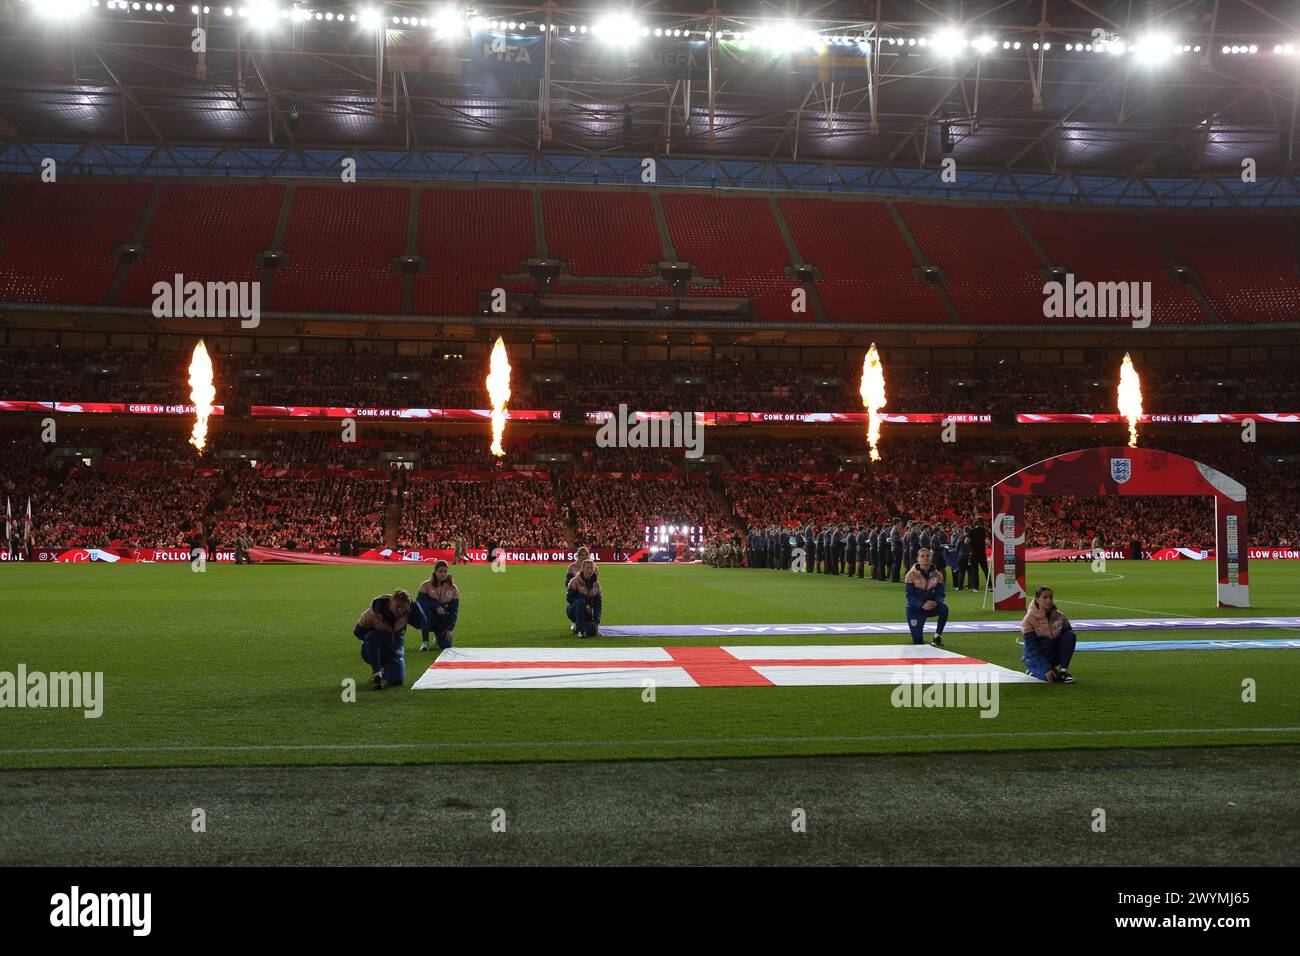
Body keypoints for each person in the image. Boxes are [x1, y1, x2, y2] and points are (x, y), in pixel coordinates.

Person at [353, 588, 422, 690]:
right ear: (391, 602)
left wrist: (415, 605)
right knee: (372, 635)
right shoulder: (371, 613)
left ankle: (385, 670)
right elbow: (358, 632)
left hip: (394, 651)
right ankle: (377, 673)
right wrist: (372, 642)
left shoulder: (407, 613)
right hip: (373, 649)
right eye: (398, 606)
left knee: (396, 681)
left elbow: (421, 624)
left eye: (404, 607)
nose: (400, 610)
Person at [1020, 586, 1078, 683]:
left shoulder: (1060, 616)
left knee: (1070, 636)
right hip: (1034, 658)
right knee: (1052, 678)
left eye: (1051, 597)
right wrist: (1046, 668)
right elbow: (1032, 648)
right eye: (1045, 598)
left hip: (1051, 654)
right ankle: (1033, 670)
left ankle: (1063, 672)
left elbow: (1068, 639)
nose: (1049, 600)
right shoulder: (1028, 620)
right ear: (1037, 599)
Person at [904, 547, 948, 646]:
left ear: (931, 557)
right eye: (922, 556)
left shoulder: (938, 575)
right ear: (917, 559)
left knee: (944, 608)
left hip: (931, 607)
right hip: (914, 609)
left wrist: (935, 602)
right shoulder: (910, 575)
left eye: (928, 556)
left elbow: (941, 593)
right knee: (918, 642)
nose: (925, 558)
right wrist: (922, 605)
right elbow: (909, 597)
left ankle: (937, 637)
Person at [416, 560, 460, 651]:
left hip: (442, 619)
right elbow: (419, 603)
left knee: (446, 645)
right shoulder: (425, 585)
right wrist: (436, 605)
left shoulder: (453, 588)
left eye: (445, 571)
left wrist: (449, 629)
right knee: (425, 610)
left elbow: (454, 610)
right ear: (435, 572)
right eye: (440, 571)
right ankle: (425, 642)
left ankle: (438, 636)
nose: (443, 574)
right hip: (429, 617)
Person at [567, 558, 602, 638]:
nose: (589, 570)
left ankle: (578, 627)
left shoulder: (596, 585)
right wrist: (585, 605)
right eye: (587, 568)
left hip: (587, 613)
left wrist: (596, 621)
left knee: (592, 632)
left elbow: (598, 603)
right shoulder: (574, 581)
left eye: (591, 568)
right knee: (580, 602)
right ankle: (580, 630)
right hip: (573, 610)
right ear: (582, 569)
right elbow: (569, 598)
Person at [968, 516, 989, 592]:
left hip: (974, 554)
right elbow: (985, 540)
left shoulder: (972, 531)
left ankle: (976, 587)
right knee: (986, 570)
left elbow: (966, 541)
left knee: (975, 571)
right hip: (982, 553)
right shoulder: (983, 530)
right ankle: (990, 586)